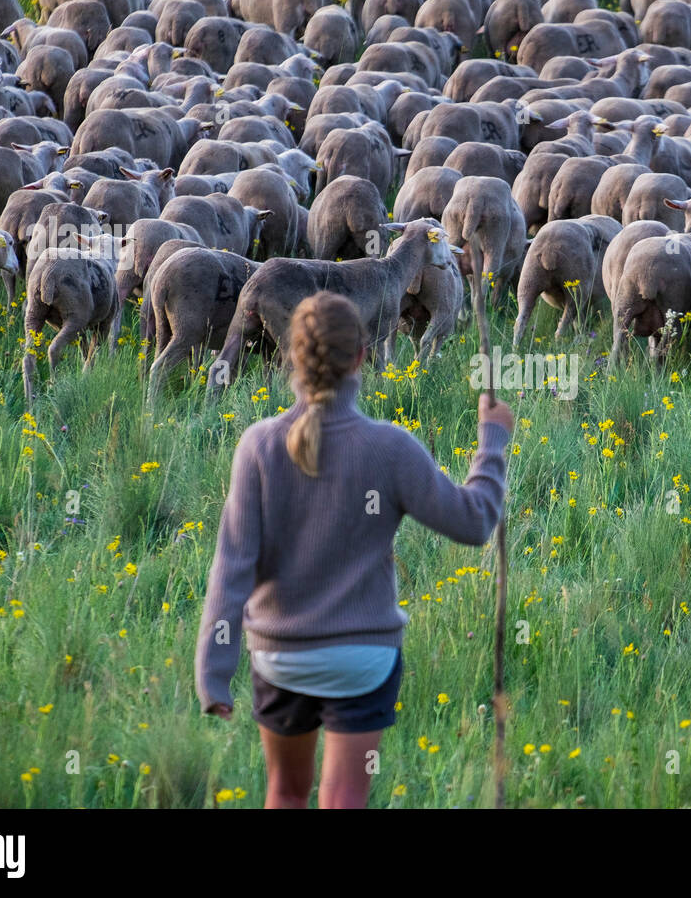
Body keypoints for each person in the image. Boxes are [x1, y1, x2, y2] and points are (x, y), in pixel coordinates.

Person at [195, 291, 513, 808]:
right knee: (344, 797)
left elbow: (232, 566)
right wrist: (492, 441)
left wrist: (212, 672)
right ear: (362, 356)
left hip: (280, 654)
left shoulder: (258, 445)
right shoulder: (390, 448)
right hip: (362, 656)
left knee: (285, 791)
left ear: (291, 356)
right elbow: (475, 522)